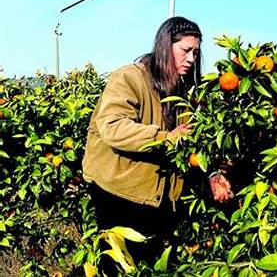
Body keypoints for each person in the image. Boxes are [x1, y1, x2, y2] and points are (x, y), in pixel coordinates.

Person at [81, 16, 233, 271]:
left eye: (195, 53)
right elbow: (113, 128)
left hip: (157, 197)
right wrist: (167, 138)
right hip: (119, 191)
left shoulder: (183, 91)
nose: (191, 59)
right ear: (165, 46)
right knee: (119, 265)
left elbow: (192, 139)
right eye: (185, 50)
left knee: (151, 265)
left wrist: (213, 173)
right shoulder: (129, 78)